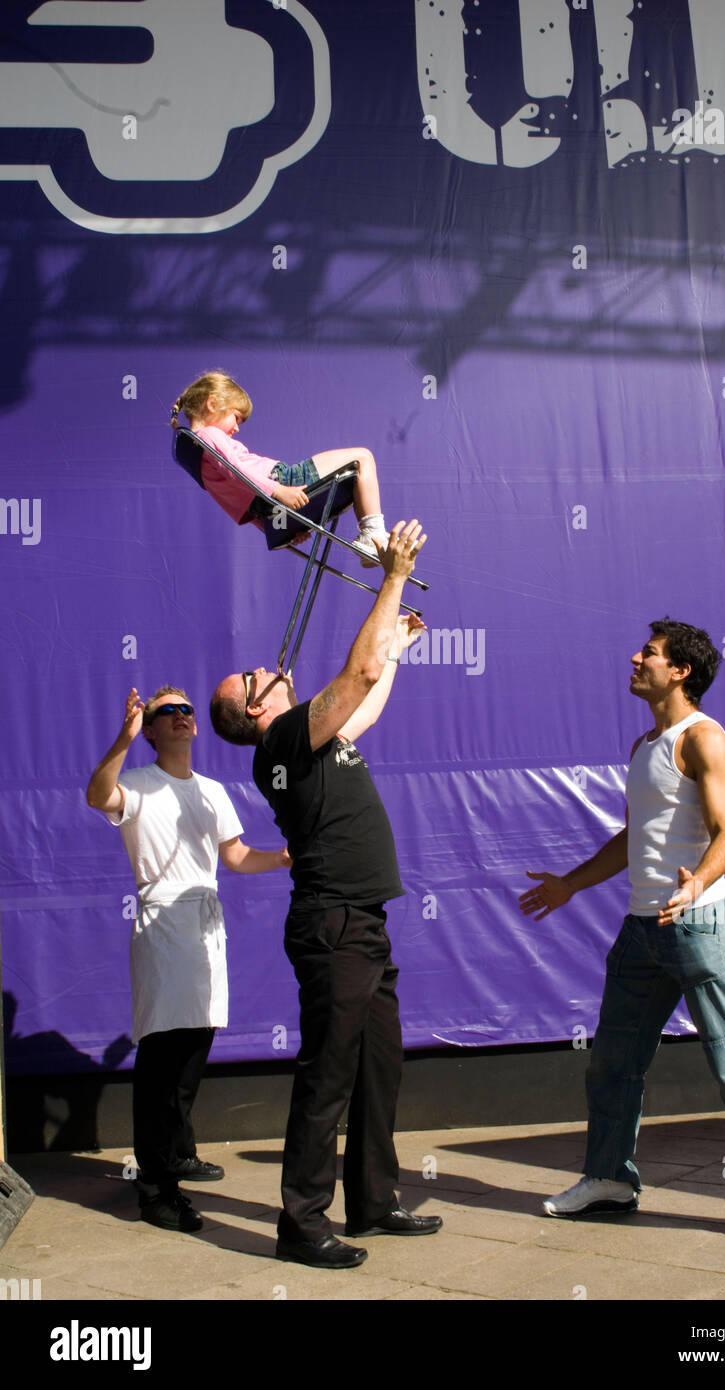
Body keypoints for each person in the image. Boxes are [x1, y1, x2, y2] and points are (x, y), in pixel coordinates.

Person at [520, 619, 725, 1253]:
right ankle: (609, 1180)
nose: (635, 658)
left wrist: (694, 887)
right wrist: (570, 885)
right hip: (640, 929)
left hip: (699, 924)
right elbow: (635, 839)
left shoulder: (705, 740)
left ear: (680, 671)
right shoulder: (642, 745)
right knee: (611, 1064)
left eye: (650, 654)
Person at [209, 519, 443, 1270]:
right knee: (328, 1073)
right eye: (254, 677)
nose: (268, 669)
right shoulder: (283, 742)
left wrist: (397, 646)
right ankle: (301, 1223)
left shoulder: (311, 740)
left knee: (378, 1068)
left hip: (358, 924)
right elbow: (357, 679)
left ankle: (373, 1201)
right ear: (255, 712)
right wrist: (393, 576)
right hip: (334, 925)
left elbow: (364, 701)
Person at [86, 685, 290, 1233]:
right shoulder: (137, 783)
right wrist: (121, 741)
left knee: (196, 1042)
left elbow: (237, 857)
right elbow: (97, 797)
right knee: (162, 1055)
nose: (179, 717)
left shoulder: (213, 791)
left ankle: (177, 1152)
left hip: (204, 924)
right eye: (164, 712)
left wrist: (288, 857)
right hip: (161, 924)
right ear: (149, 728)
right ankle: (156, 1189)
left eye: (185, 710)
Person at [171, 371, 388, 565]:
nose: (237, 428)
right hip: (283, 481)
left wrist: (277, 528)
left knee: (354, 475)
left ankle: (371, 537)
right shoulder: (209, 435)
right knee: (363, 457)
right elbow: (237, 469)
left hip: (269, 501)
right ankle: (373, 536)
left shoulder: (196, 456)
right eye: (236, 417)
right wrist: (278, 490)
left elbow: (237, 500)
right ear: (212, 403)